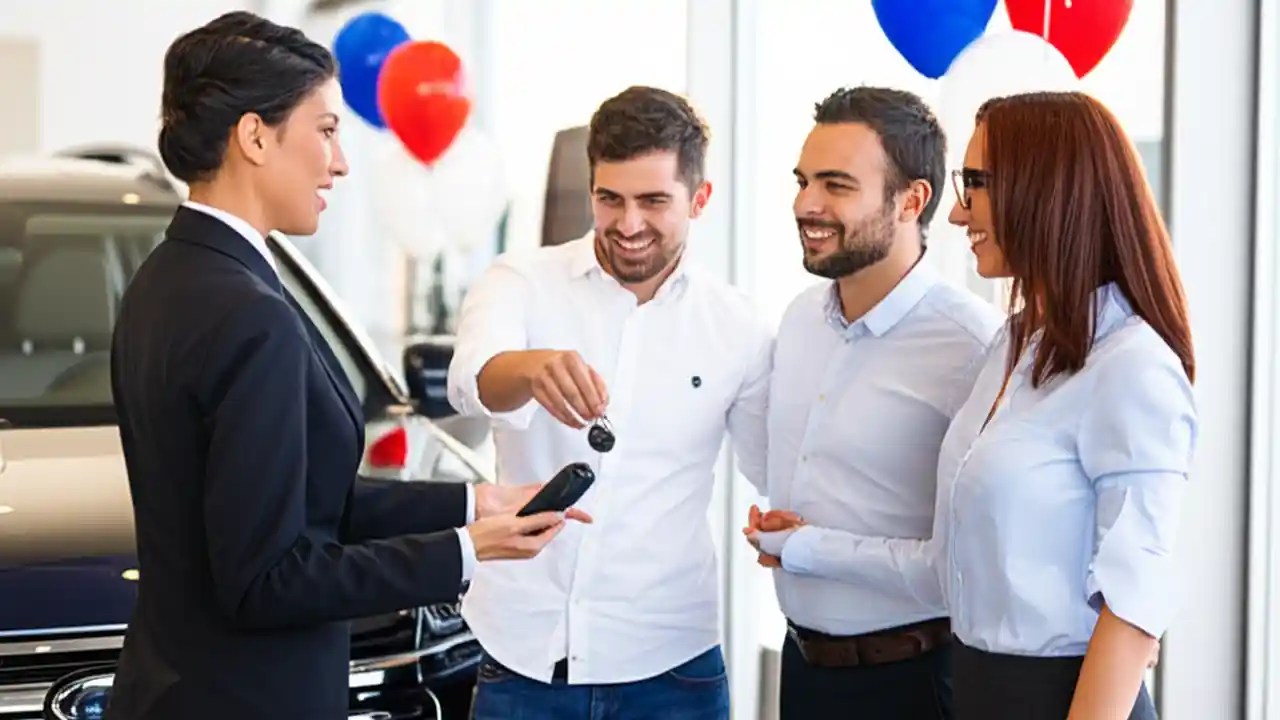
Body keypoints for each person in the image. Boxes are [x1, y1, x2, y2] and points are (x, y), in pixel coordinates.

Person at [106, 12, 585, 720]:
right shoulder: (247, 313)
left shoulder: (165, 277)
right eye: (326, 130)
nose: (341, 161)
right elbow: (267, 578)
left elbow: (301, 500)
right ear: (255, 136)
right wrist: (463, 552)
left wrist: (471, 504)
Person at [445, 85, 772, 720]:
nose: (628, 224)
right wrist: (530, 369)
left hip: (672, 667)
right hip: (523, 658)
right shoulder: (520, 280)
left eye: (653, 201)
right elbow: (473, 380)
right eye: (609, 199)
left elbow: (774, 467)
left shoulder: (738, 325)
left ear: (699, 199)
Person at [742, 87, 1003, 719]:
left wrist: (806, 548)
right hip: (803, 671)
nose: (806, 204)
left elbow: (969, 566)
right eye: (804, 181)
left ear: (911, 200)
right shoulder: (801, 318)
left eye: (836, 185)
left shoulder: (972, 346)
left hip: (916, 684)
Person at [940, 91, 1196, 719]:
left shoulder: (1132, 366)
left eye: (976, 185)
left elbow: (1133, 609)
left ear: (1049, 190)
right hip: (974, 689)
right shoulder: (1013, 343)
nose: (956, 212)